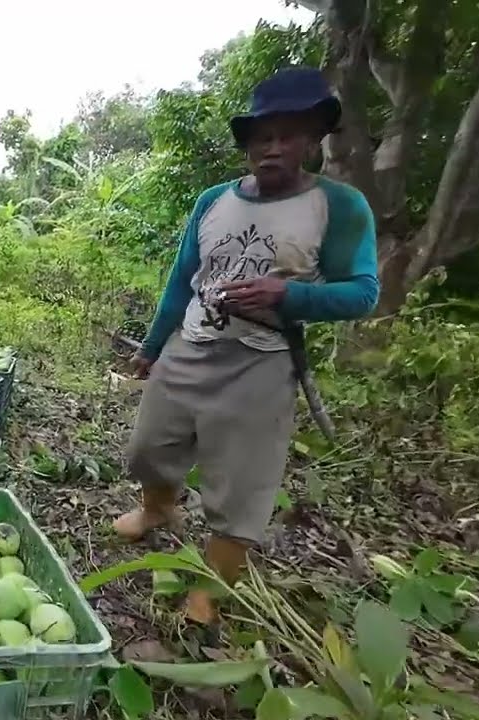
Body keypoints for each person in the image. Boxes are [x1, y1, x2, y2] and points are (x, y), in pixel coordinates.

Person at [114, 67, 380, 625]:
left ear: (312, 140)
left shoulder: (339, 206)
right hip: (192, 342)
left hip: (261, 359)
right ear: (249, 144)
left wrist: (289, 295)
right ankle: (157, 509)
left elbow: (363, 292)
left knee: (240, 487)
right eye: (264, 137)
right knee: (148, 447)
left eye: (289, 135)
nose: (275, 148)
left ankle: (211, 590)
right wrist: (153, 343)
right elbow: (183, 276)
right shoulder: (213, 201)